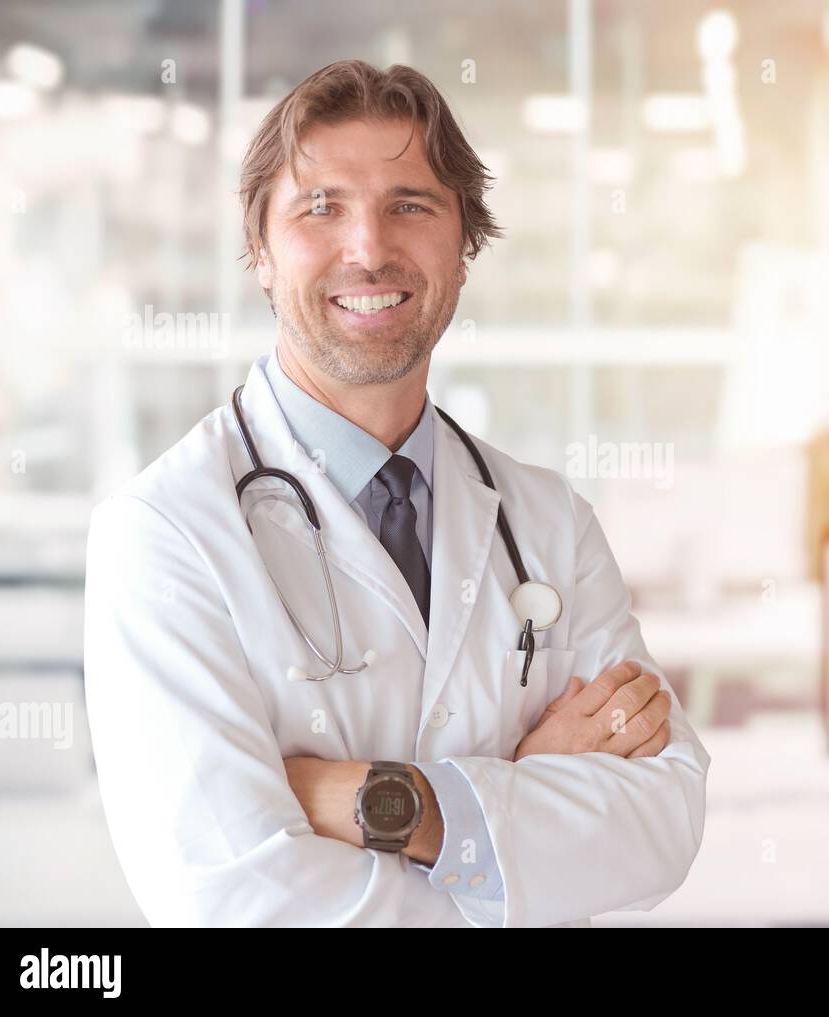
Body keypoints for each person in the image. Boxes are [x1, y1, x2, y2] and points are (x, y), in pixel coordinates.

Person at [82, 60, 710, 928]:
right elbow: (235, 902)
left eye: (410, 205)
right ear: (260, 251)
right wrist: (516, 810)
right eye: (321, 208)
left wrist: (387, 805)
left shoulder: (549, 522)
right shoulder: (165, 534)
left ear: (465, 246)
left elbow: (661, 825)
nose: (369, 249)